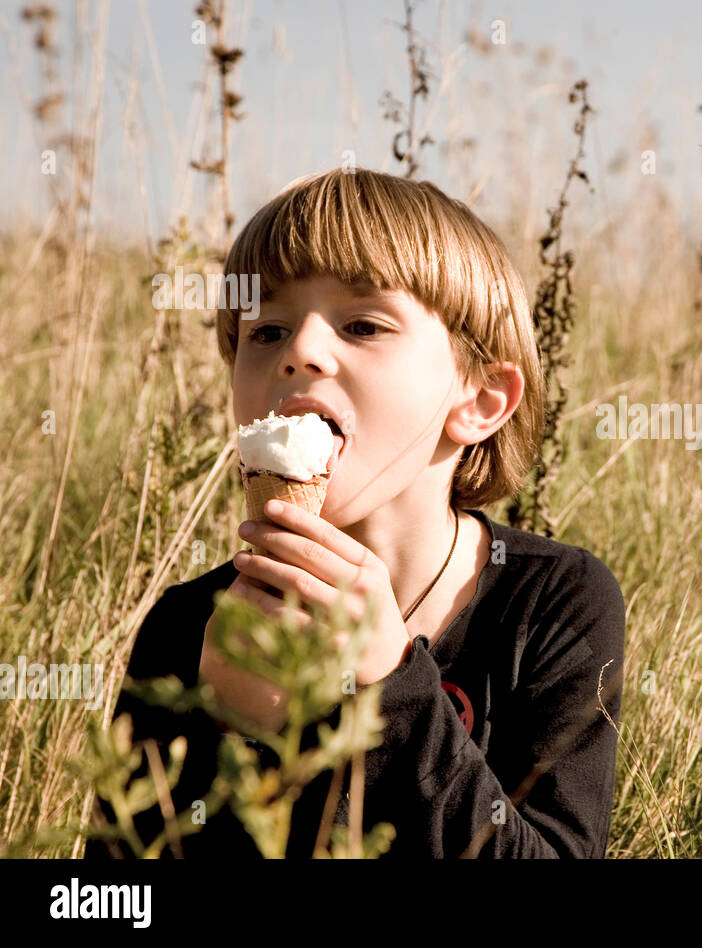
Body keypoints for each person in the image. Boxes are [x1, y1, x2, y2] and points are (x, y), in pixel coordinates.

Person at [84, 168, 625, 858]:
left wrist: (392, 687)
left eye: (363, 324)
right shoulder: (188, 626)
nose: (302, 352)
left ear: (480, 400)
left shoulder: (553, 602)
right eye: (266, 330)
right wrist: (236, 735)